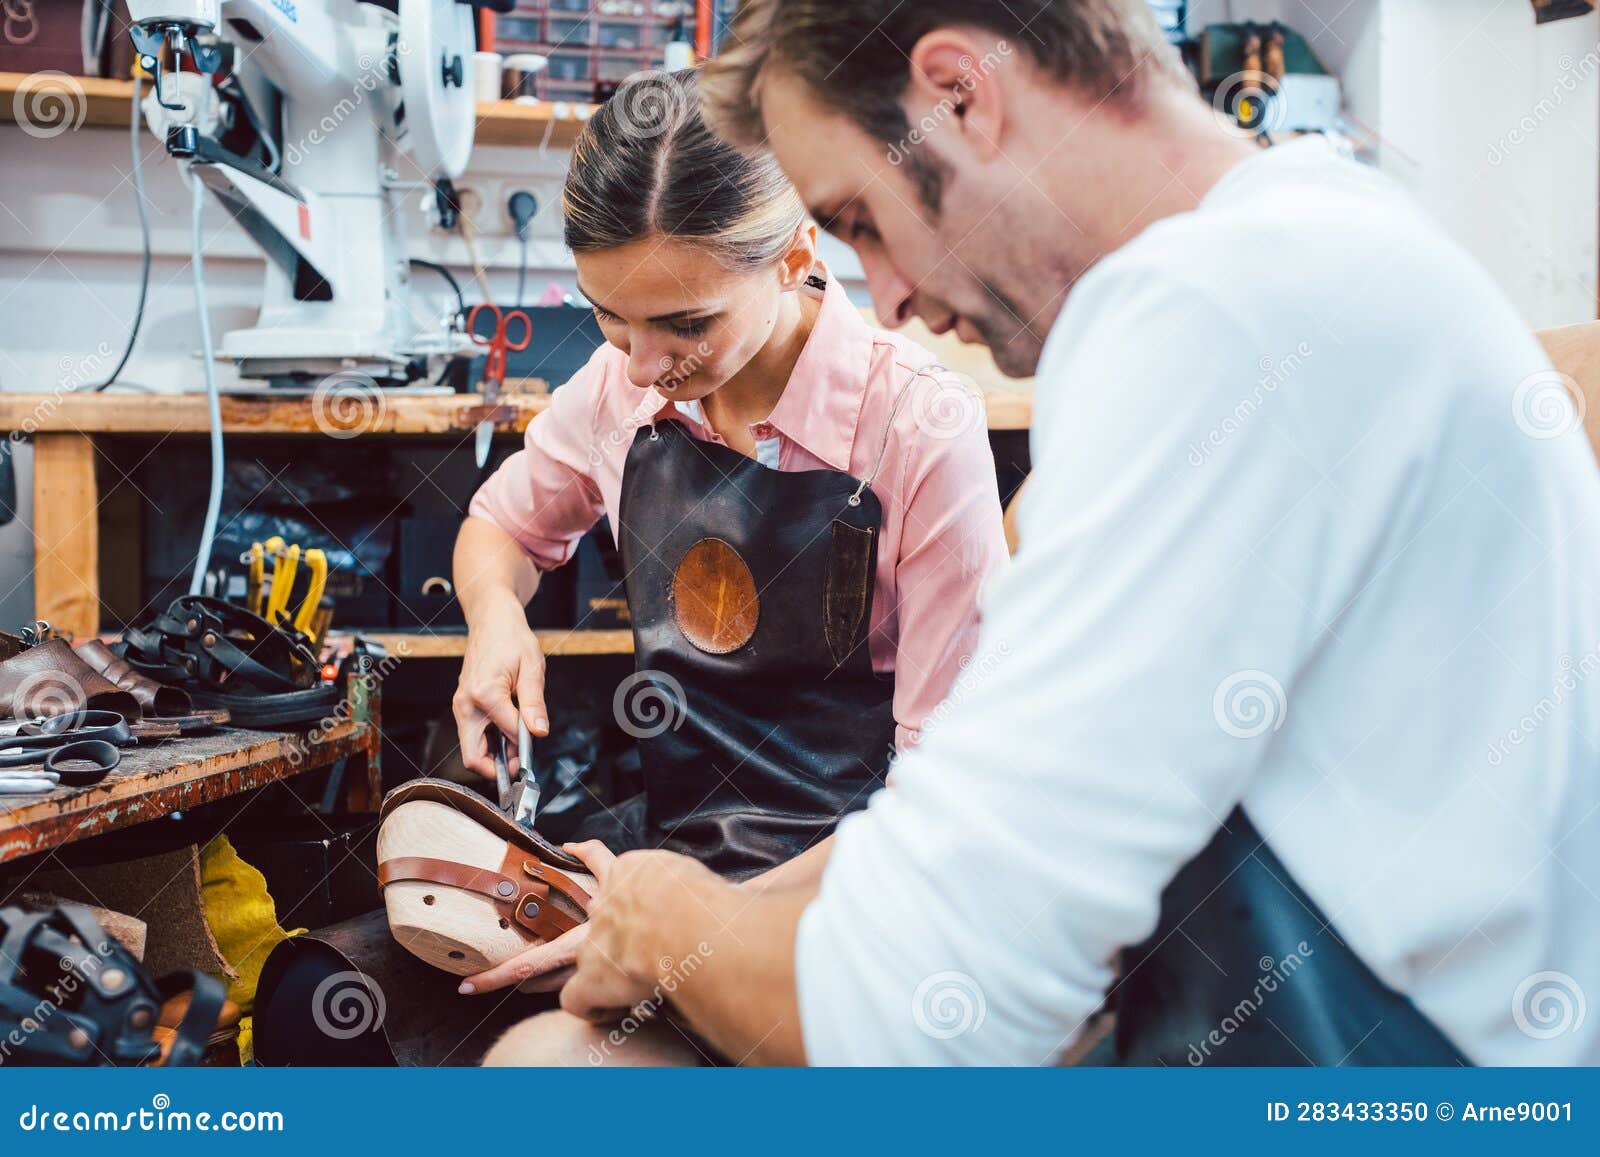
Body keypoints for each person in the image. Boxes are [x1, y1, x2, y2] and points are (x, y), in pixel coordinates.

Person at [539, 0, 1600, 1066]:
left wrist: (666, 916)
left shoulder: (1222, 315)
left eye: (861, 219)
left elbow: (924, 1024)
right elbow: (977, 799)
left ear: (963, 94)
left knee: (552, 1072)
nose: (892, 298)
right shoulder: (1303, 234)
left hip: (1397, 1080)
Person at [452, 69, 1009, 1027]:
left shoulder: (919, 425)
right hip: (674, 844)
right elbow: (499, 526)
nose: (640, 365)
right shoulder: (617, 387)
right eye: (608, 314)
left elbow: (944, 796)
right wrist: (497, 616)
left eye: (686, 323)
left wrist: (681, 931)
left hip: (856, 884)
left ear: (796, 256)